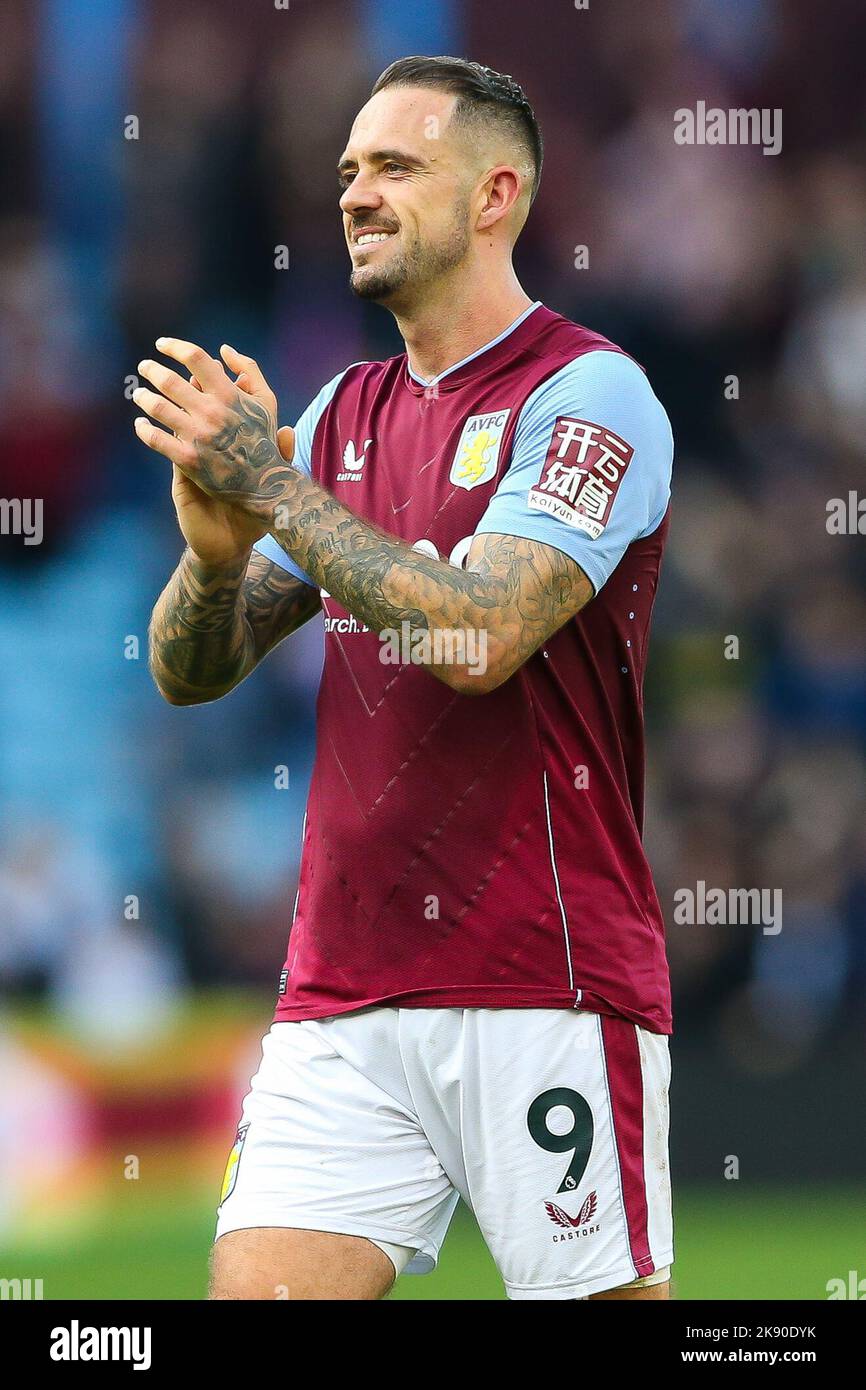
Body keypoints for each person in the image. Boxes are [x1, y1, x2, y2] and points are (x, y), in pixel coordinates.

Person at [138, 56, 674, 1301]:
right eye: (345, 173)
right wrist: (216, 561)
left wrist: (270, 489)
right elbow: (188, 671)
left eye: (394, 167)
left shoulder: (588, 393)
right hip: (340, 991)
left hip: (538, 975)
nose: (355, 195)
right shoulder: (338, 417)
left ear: (496, 195)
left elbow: (480, 637)